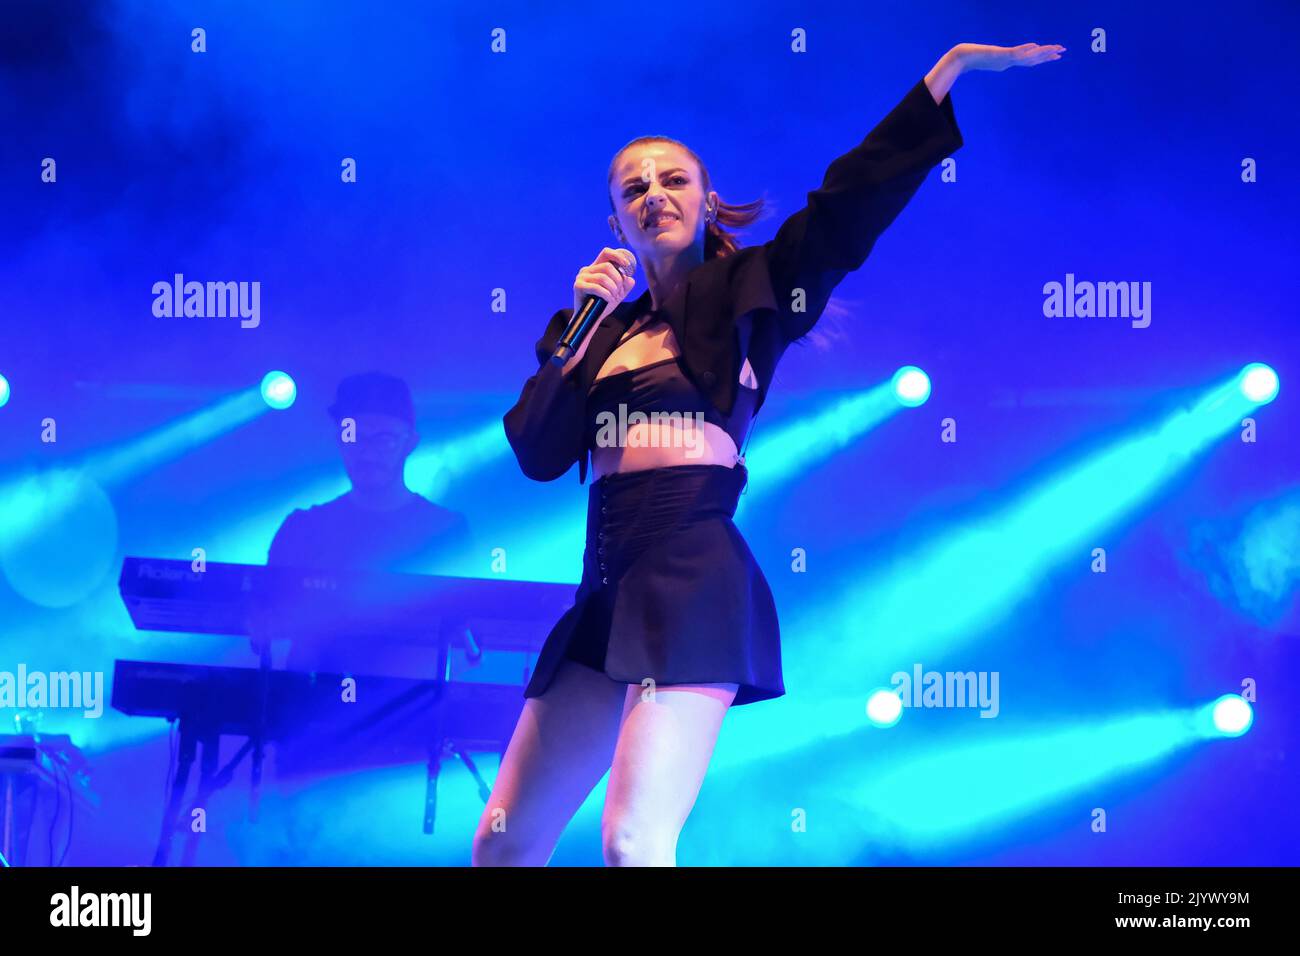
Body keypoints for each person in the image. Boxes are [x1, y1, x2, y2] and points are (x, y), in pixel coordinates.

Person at [477, 42, 1065, 867]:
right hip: (601, 590)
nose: (654, 196)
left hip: (691, 577)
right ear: (615, 223)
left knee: (635, 839)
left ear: (708, 200)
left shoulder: (752, 293)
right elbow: (537, 453)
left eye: (672, 180)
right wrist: (576, 335)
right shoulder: (596, 331)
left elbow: (844, 212)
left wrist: (946, 75)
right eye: (634, 189)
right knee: (501, 846)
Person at [265, 371, 473, 676]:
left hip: (415, 701)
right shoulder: (301, 529)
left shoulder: (446, 532)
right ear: (339, 441)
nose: (367, 451)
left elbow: (470, 638)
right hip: (310, 700)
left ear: (410, 443)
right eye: (353, 435)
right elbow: (261, 620)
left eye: (384, 439)